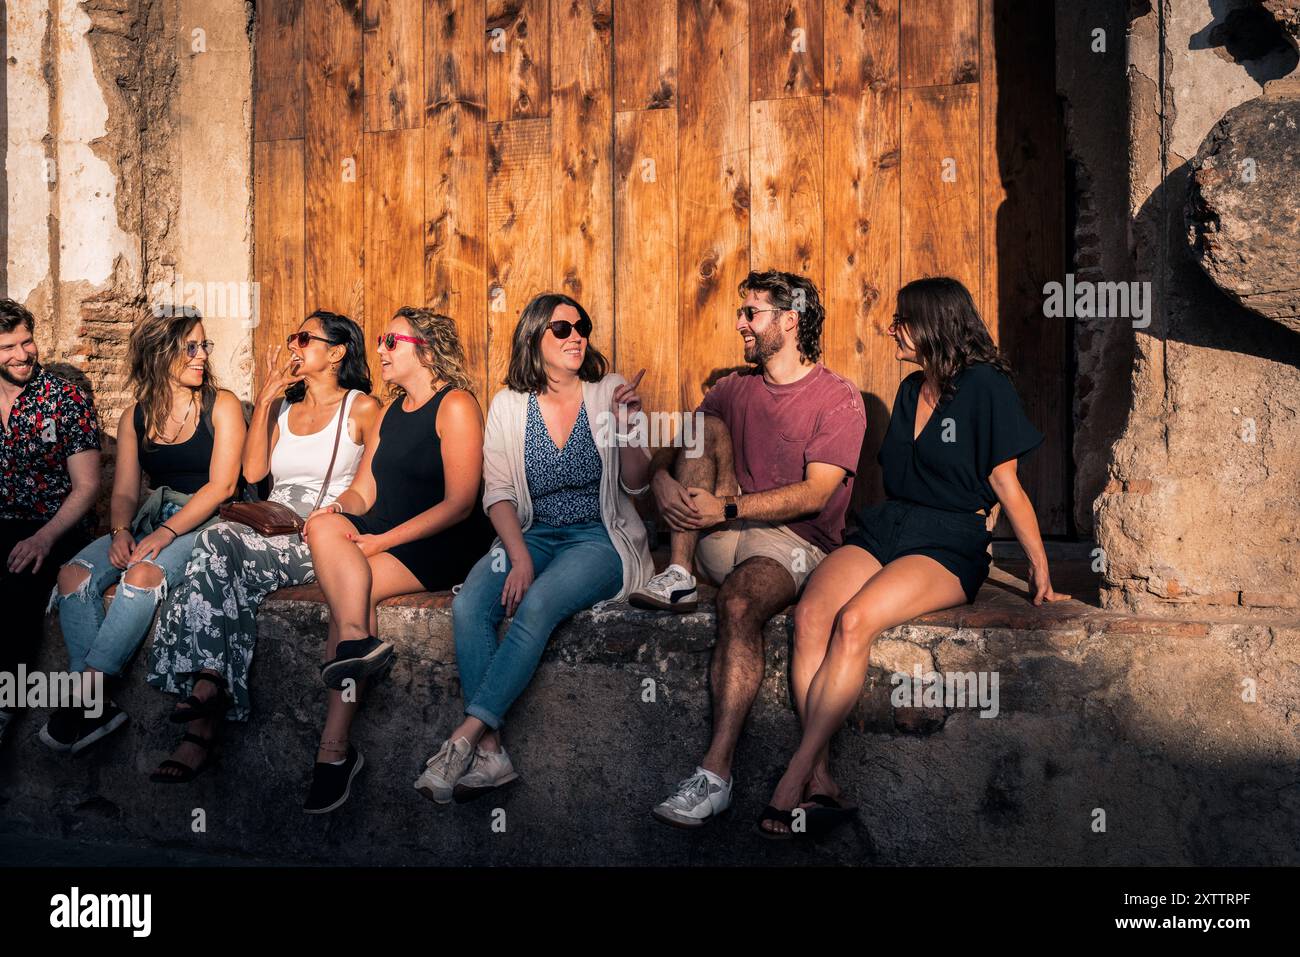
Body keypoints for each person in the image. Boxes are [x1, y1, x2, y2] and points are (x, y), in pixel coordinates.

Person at [757, 276, 1071, 837]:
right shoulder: (909, 390)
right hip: (891, 526)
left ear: (933, 324)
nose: (890, 329)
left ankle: (792, 776)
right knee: (811, 614)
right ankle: (822, 780)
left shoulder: (986, 387)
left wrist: (1040, 571)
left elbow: (1007, 484)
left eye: (901, 320)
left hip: (948, 541)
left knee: (855, 621)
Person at [635, 270, 867, 829]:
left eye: (752, 313)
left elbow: (816, 493)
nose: (740, 323)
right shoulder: (733, 389)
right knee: (704, 428)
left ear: (790, 320)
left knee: (739, 604)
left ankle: (714, 774)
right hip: (719, 533)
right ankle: (678, 573)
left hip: (791, 544)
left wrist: (727, 508)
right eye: (741, 312)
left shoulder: (837, 398)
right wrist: (660, 478)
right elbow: (674, 449)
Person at [414, 292, 654, 805]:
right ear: (534, 336)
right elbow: (497, 493)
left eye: (582, 327)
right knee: (470, 604)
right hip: (532, 535)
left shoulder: (607, 392)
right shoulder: (509, 404)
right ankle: (492, 753)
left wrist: (629, 427)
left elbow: (636, 485)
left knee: (538, 604)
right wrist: (519, 556)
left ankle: (464, 738)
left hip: (598, 537)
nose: (576, 337)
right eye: (562, 329)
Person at [146, 310, 380, 783]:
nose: (293, 345)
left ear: (336, 352)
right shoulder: (284, 409)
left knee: (212, 547)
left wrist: (340, 515)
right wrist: (269, 398)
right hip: (271, 525)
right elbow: (254, 473)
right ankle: (210, 682)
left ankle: (205, 700)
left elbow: (373, 482)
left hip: (321, 532)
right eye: (293, 336)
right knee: (214, 546)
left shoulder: (363, 408)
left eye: (304, 339)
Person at [298, 307, 493, 813]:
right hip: (383, 533)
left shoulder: (456, 405)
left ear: (425, 349)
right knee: (323, 527)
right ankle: (356, 646)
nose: (380, 350)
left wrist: (381, 541)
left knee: (349, 594)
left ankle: (333, 751)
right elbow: (363, 491)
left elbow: (460, 504)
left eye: (391, 341)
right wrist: (337, 509)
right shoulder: (388, 412)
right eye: (381, 341)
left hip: (440, 543)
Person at [43, 307, 244, 754]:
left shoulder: (222, 405)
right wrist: (119, 531)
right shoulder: (135, 416)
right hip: (152, 518)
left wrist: (166, 534)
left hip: (207, 521)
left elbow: (223, 486)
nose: (201, 355)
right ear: (160, 352)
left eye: (203, 346)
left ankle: (83, 694)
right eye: (190, 347)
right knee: (73, 574)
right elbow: (124, 491)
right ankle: (97, 707)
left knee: (142, 574)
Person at [0, 299, 101, 748]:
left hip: (55, 525)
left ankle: (5, 708)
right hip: (3, 522)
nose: (23, 354)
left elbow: (88, 487)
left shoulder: (65, 399)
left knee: (18, 581)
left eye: (27, 342)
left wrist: (43, 538)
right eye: (8, 347)